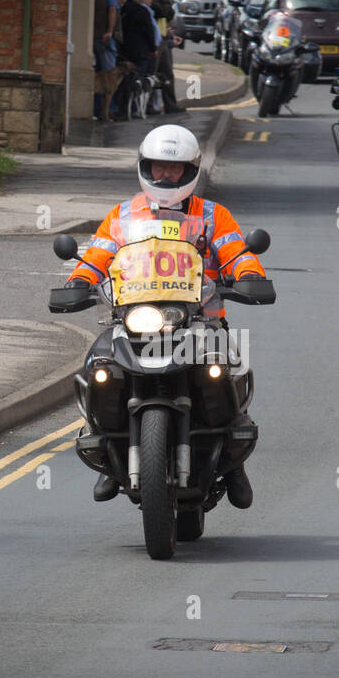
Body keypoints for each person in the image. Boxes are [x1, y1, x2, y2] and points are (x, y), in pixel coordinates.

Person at [63, 125, 266, 508]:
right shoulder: (123, 215)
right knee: (102, 368)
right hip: (133, 319)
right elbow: (97, 256)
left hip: (200, 320)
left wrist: (248, 274)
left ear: (190, 170)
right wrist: (79, 281)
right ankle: (110, 451)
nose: (165, 176)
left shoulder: (212, 214)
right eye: (158, 166)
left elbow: (237, 251)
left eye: (174, 169)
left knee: (225, 367)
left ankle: (234, 461)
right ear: (144, 166)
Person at [146, 0, 186, 115]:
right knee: (151, 74)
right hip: (153, 42)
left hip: (162, 40)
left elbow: (168, 16)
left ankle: (170, 105)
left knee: (167, 74)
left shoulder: (162, 1)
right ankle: (148, 105)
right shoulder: (151, 0)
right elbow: (164, 13)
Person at [94, 0, 121, 121]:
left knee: (98, 77)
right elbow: (112, 10)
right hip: (105, 38)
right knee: (110, 79)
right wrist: (110, 31)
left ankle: (98, 111)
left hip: (94, 38)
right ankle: (106, 113)